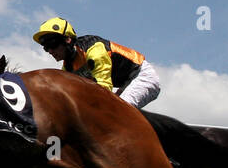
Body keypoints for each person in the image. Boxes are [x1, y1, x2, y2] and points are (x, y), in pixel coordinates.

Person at [32, 17, 160, 108]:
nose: (49, 50)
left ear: (68, 40)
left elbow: (104, 89)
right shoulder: (68, 67)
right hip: (125, 85)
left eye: (52, 44)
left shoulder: (94, 49)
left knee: (115, 112)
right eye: (45, 47)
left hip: (142, 76)